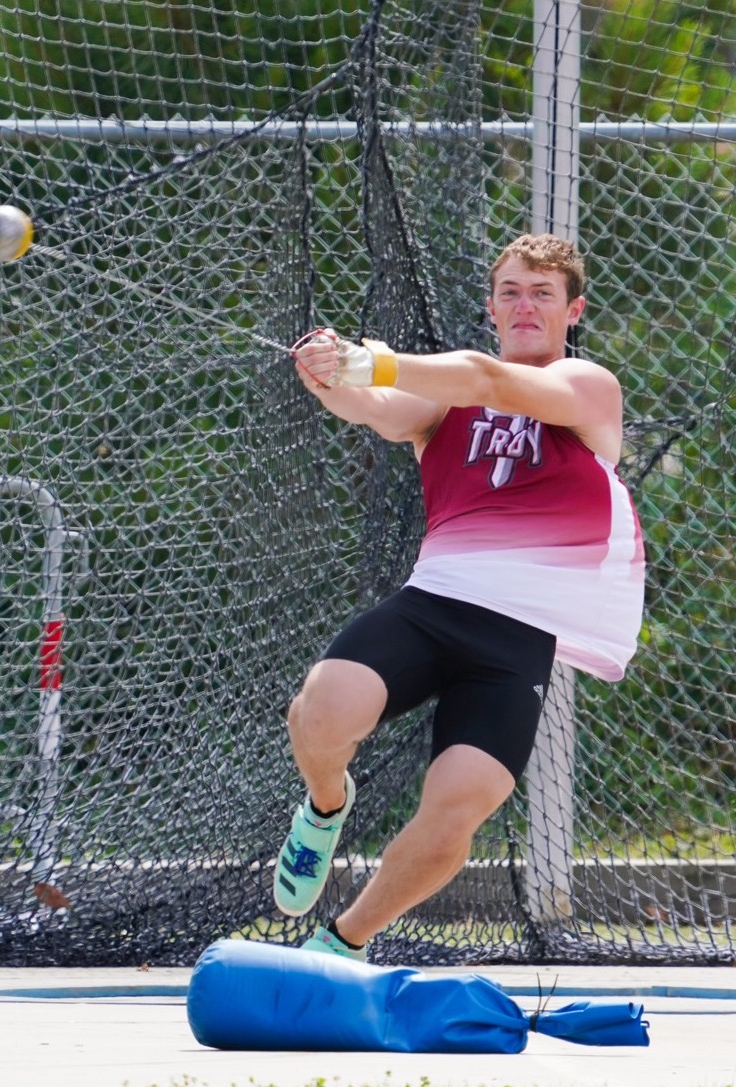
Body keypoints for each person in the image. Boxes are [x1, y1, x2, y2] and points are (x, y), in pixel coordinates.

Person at [275, 233, 645, 959]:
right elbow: (376, 407)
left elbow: (489, 381)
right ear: (491, 306)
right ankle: (325, 805)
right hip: (432, 606)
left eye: (543, 293)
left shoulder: (589, 387)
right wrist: (328, 373)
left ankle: (343, 943)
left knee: (455, 812)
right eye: (511, 292)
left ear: (573, 311)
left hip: (515, 641)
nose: (525, 305)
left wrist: (372, 359)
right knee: (320, 714)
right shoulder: (446, 400)